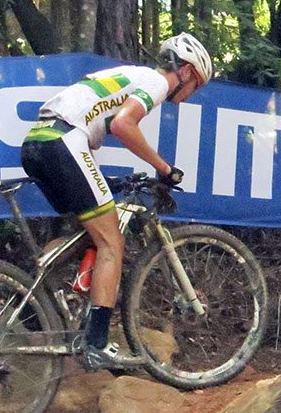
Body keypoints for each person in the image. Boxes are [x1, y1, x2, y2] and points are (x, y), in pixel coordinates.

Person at [20, 33, 213, 369]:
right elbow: (124, 124)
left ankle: (27, 305)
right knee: (112, 242)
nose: (192, 93)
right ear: (184, 71)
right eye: (196, 83)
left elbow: (93, 121)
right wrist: (164, 169)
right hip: (64, 142)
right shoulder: (157, 81)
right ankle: (96, 343)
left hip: (38, 141)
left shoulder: (131, 76)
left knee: (86, 232)